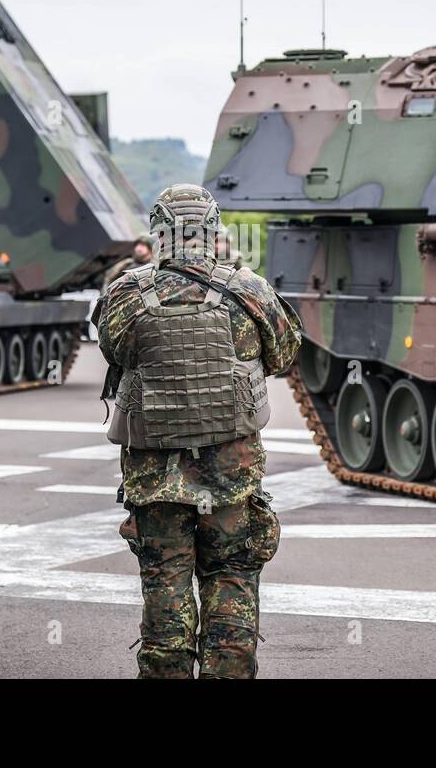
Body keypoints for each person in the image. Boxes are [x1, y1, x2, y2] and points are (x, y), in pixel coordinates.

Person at [96, 183, 301, 678]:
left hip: (155, 476)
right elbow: (284, 355)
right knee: (231, 576)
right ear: (212, 229)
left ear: (158, 231)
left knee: (165, 583)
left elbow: (115, 354)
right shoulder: (249, 289)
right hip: (231, 476)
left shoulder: (126, 293)